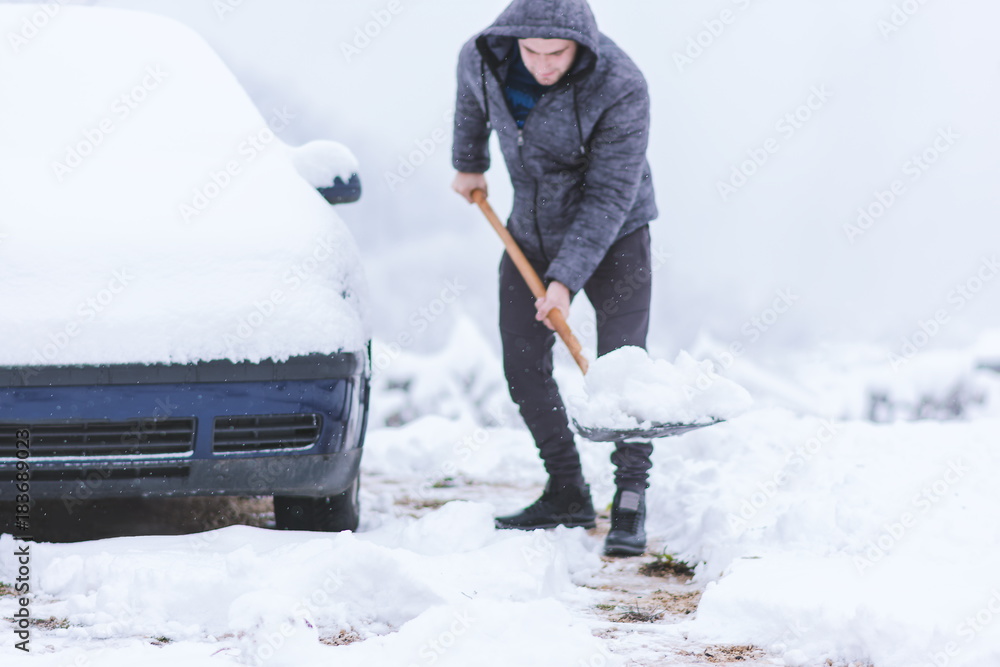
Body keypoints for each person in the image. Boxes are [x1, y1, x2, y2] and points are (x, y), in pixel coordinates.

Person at [451, 0, 658, 556]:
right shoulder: (483, 58)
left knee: (622, 368)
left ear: (582, 46)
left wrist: (564, 280)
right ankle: (566, 488)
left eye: (557, 53)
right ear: (513, 40)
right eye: (532, 52)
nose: (543, 65)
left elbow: (610, 193)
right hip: (530, 231)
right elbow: (472, 99)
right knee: (522, 364)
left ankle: (631, 498)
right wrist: (469, 160)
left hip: (615, 235)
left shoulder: (621, 84)